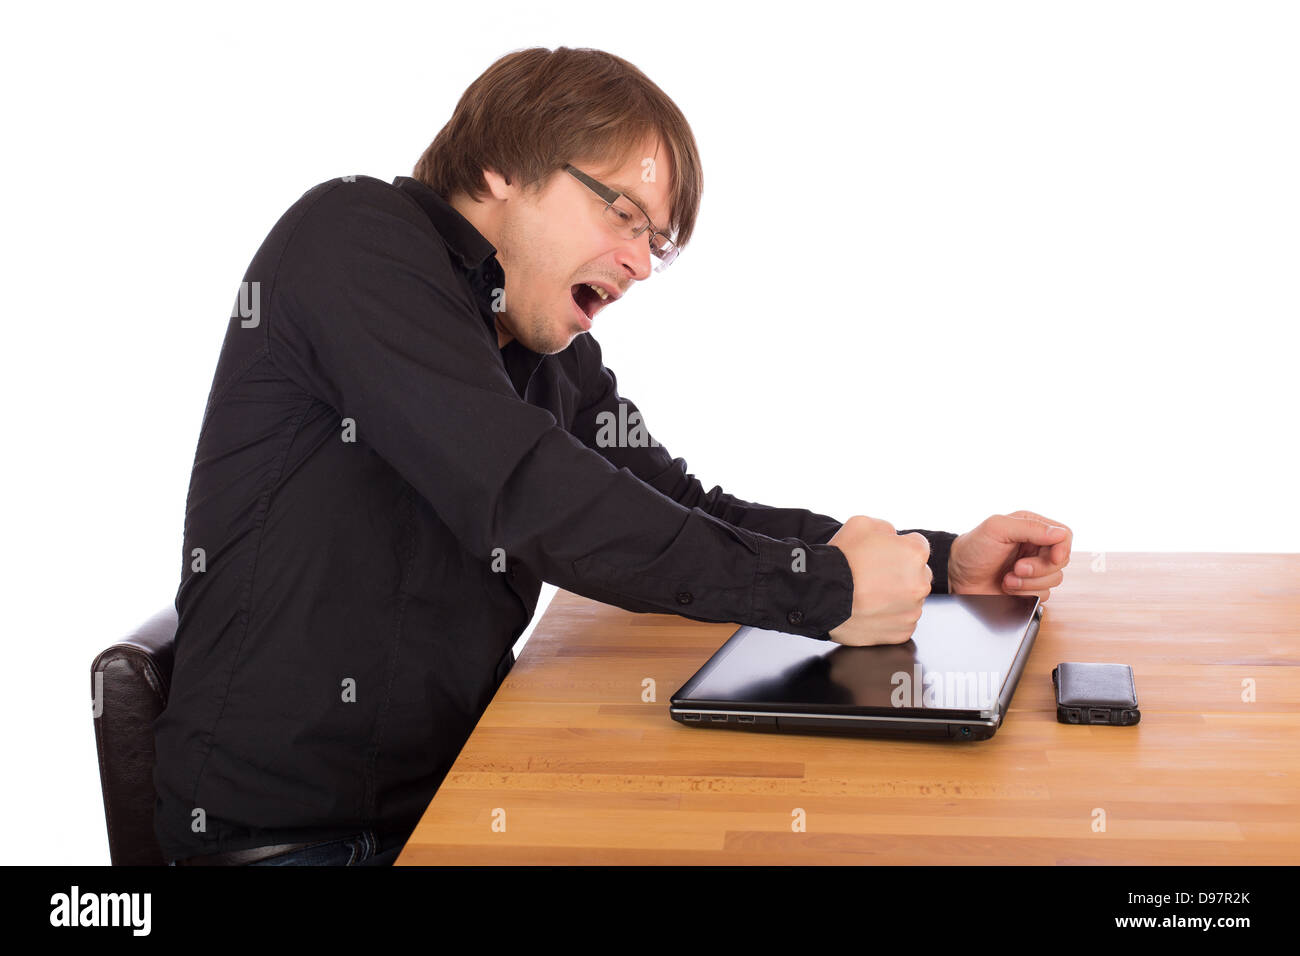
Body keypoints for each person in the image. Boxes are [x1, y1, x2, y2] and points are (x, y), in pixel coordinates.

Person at [155, 46, 1072, 867]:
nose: (639, 263)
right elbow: (530, 495)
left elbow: (682, 506)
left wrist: (937, 558)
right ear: (502, 165)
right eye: (625, 214)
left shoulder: (543, 350)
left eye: (657, 242)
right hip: (294, 845)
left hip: (456, 799)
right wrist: (827, 594)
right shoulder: (352, 239)